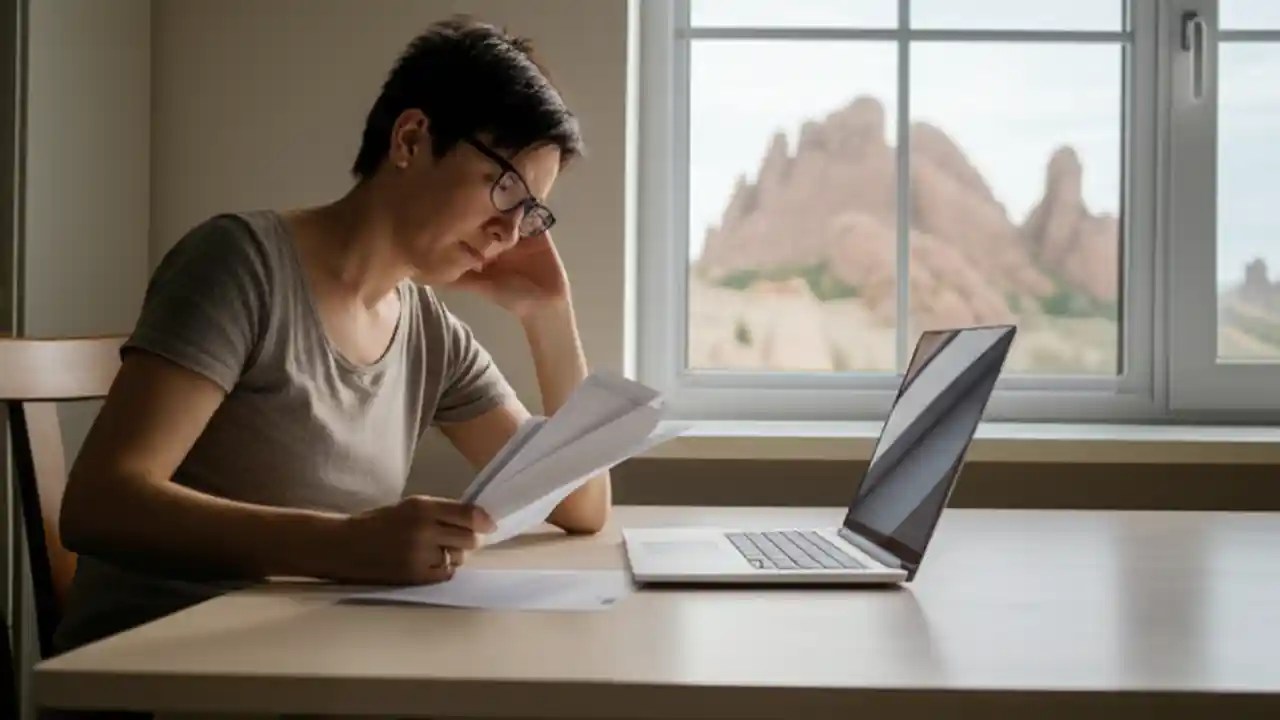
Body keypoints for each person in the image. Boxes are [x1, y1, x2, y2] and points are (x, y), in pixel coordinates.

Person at [54, 16, 601, 653]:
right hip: (158, 673)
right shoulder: (239, 266)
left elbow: (581, 503)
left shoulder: (430, 334)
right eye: (505, 188)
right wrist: (343, 544)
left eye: (530, 212)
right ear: (411, 139)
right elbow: (98, 505)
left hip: (305, 661)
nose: (510, 232)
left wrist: (549, 315)